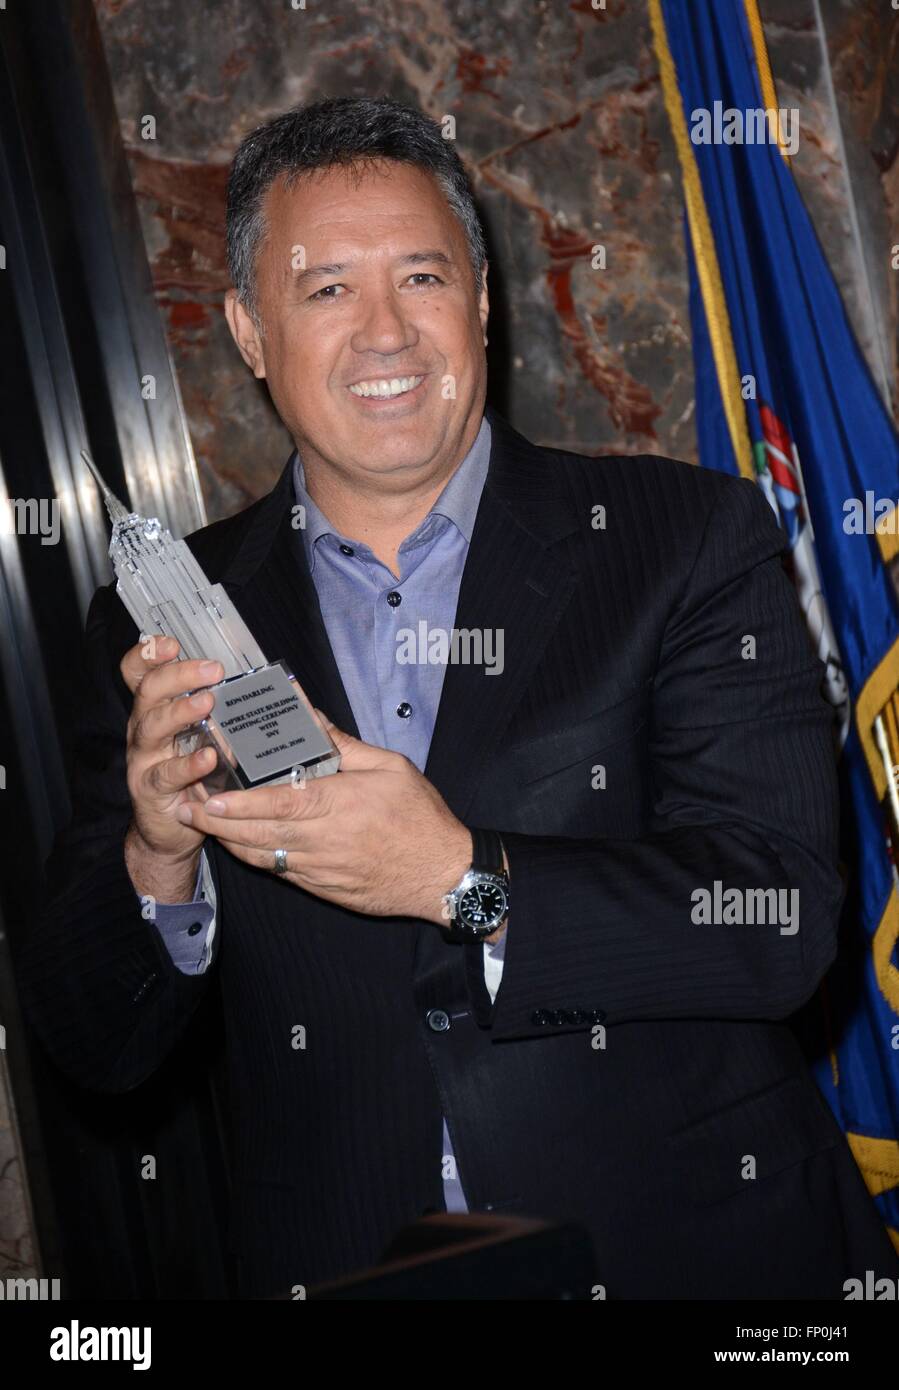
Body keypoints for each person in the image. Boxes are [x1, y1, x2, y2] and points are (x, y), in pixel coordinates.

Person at [17, 95, 899, 1299]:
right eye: (325, 288)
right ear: (246, 330)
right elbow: (95, 1046)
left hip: (695, 1257)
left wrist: (460, 881)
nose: (385, 332)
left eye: (422, 277)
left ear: (480, 305)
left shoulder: (680, 538)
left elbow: (779, 919)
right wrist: (157, 853)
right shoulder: (158, 621)